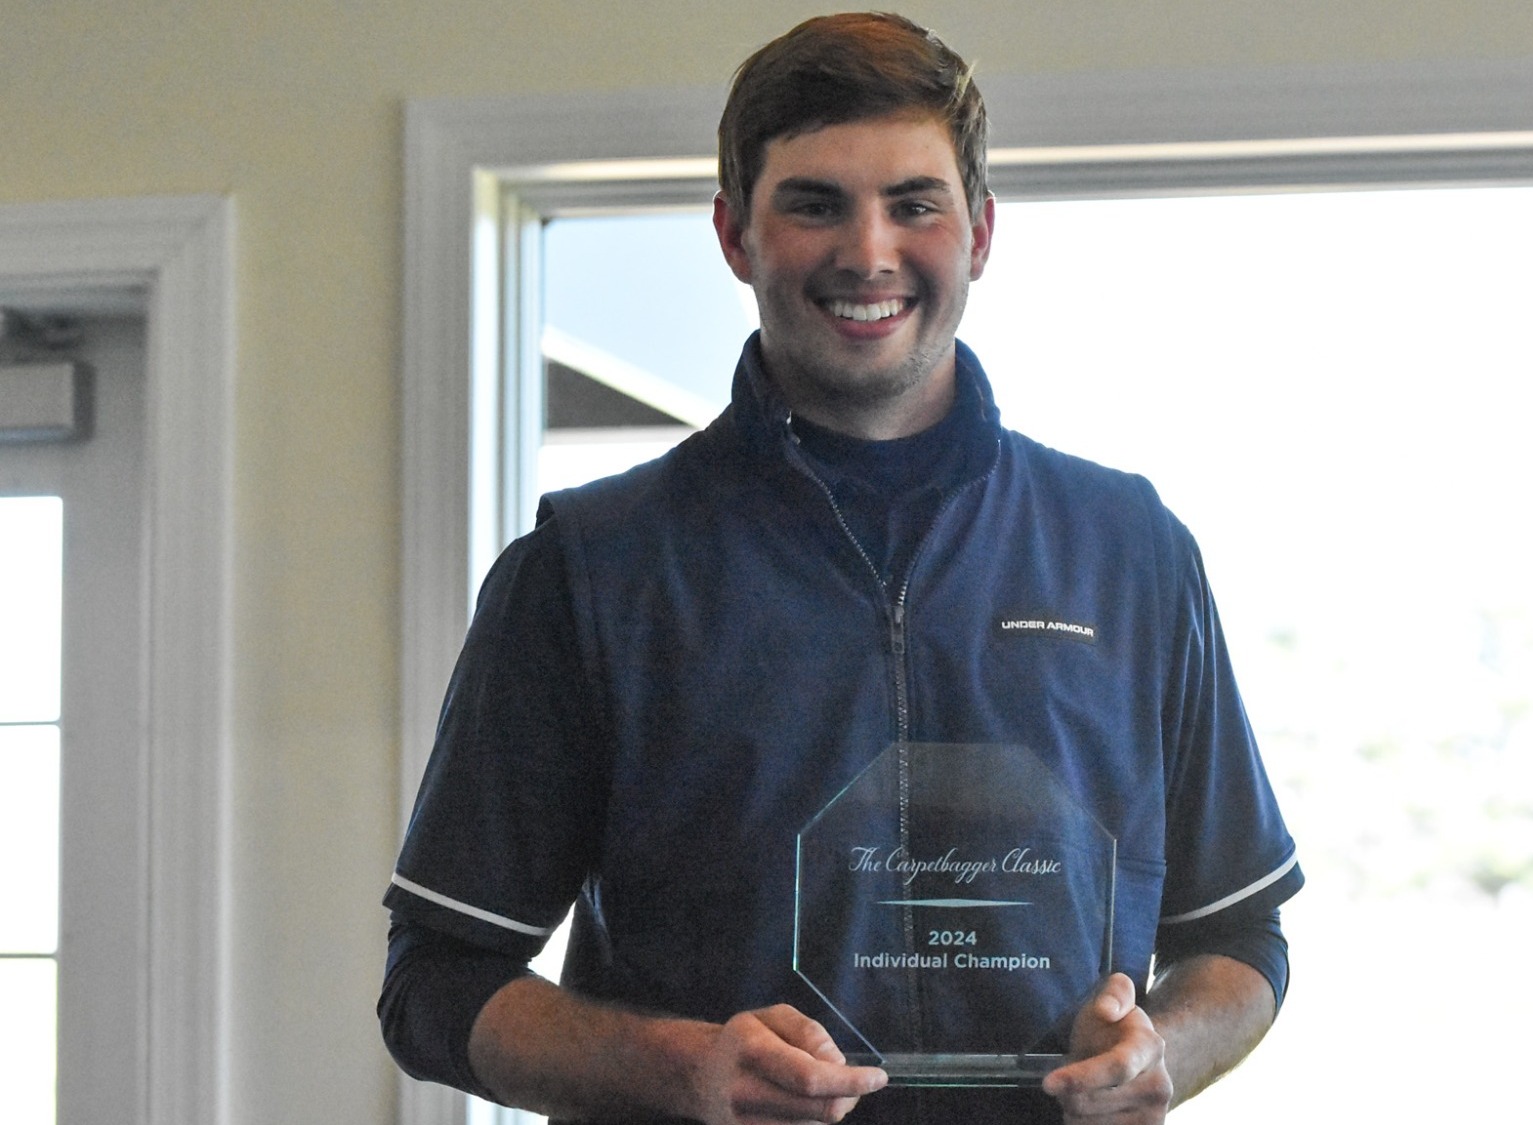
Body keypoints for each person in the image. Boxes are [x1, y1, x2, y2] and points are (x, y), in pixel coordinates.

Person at [379, 13, 1303, 1125]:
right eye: (813, 204)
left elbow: (1240, 940)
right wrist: (683, 1067)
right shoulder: (590, 567)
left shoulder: (1128, 549)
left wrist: (1165, 1049)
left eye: (914, 204)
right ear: (734, 235)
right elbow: (433, 984)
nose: (868, 253)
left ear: (980, 234)